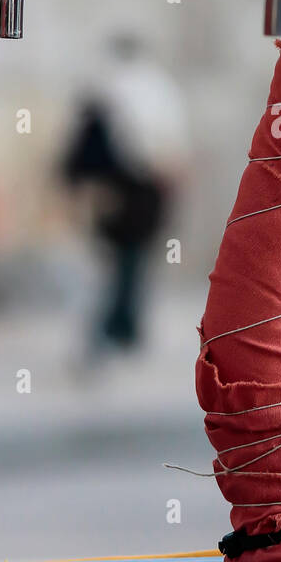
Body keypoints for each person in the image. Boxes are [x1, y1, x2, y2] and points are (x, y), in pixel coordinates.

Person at [60, 35, 188, 361]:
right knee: (130, 259)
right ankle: (120, 326)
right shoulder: (155, 87)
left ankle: (117, 327)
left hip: (116, 187)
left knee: (118, 261)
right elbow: (165, 142)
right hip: (143, 185)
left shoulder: (108, 87)